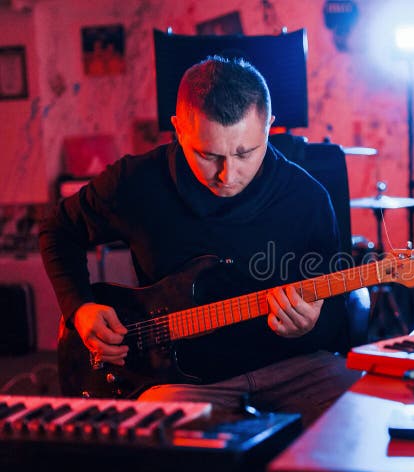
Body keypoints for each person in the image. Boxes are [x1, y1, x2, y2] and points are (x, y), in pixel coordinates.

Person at [39, 56, 361, 426]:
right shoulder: (136, 181)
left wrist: (311, 325)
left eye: (245, 153)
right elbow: (57, 229)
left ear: (269, 126)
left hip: (291, 370)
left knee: (366, 411)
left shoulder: (308, 198)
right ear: (177, 129)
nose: (228, 174)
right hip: (173, 383)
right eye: (207, 155)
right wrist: (79, 308)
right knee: (157, 442)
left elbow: (338, 314)